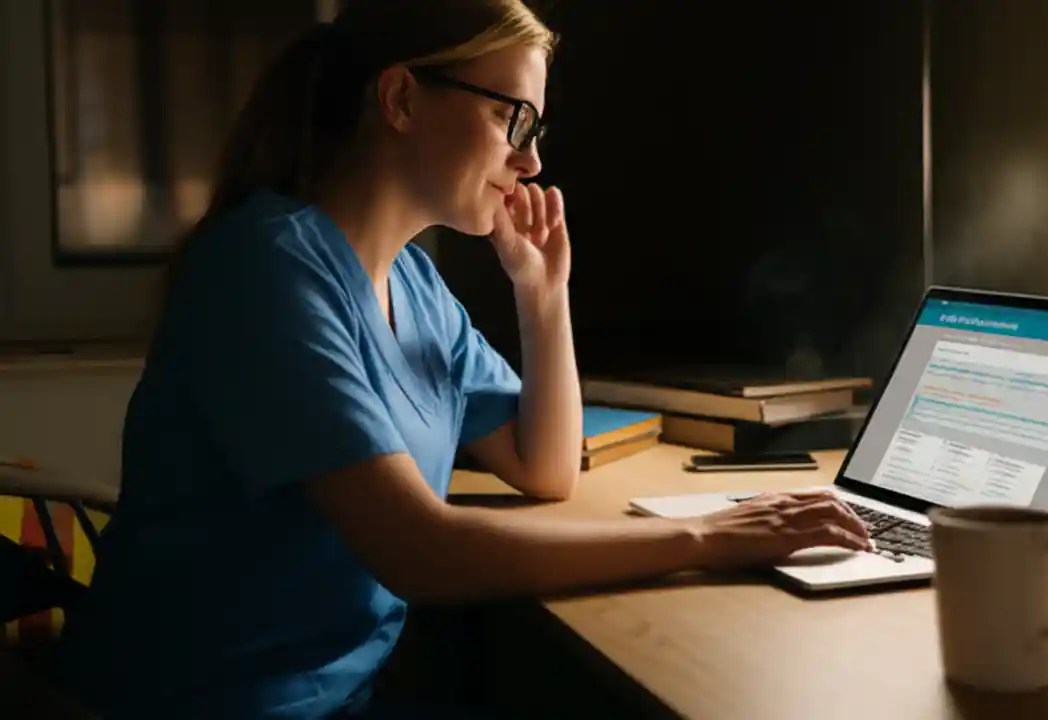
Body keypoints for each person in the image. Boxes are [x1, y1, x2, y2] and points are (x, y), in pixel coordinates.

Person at [55, 1, 872, 717]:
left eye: (535, 130)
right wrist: (708, 538)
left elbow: (545, 467)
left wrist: (542, 298)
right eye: (513, 119)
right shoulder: (268, 271)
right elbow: (420, 550)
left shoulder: (414, 282)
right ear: (403, 98)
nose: (531, 162)